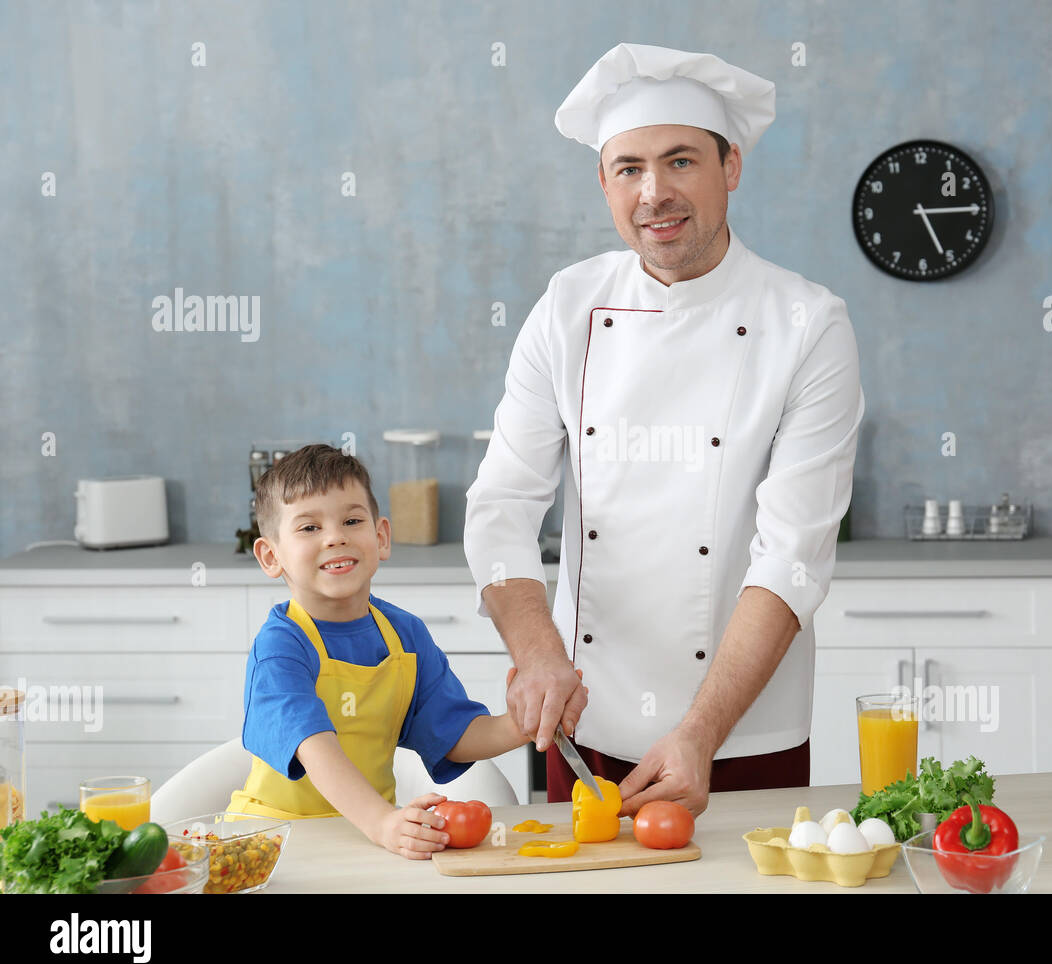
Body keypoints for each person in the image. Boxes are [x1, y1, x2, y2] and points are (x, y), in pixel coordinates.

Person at [464, 44, 865, 817]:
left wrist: (700, 732)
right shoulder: (567, 306)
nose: (655, 193)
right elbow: (503, 503)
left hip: (742, 732)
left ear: (731, 167)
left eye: (680, 161)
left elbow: (791, 557)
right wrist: (537, 652)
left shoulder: (807, 324)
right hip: (582, 720)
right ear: (605, 183)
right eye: (629, 168)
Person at [227, 443, 531, 859]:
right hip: (275, 844)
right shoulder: (280, 645)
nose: (335, 537)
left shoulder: (406, 634)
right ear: (270, 555)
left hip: (364, 839)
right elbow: (315, 748)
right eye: (309, 528)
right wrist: (383, 822)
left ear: (381, 537)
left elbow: (454, 735)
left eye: (352, 520)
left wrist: (520, 724)